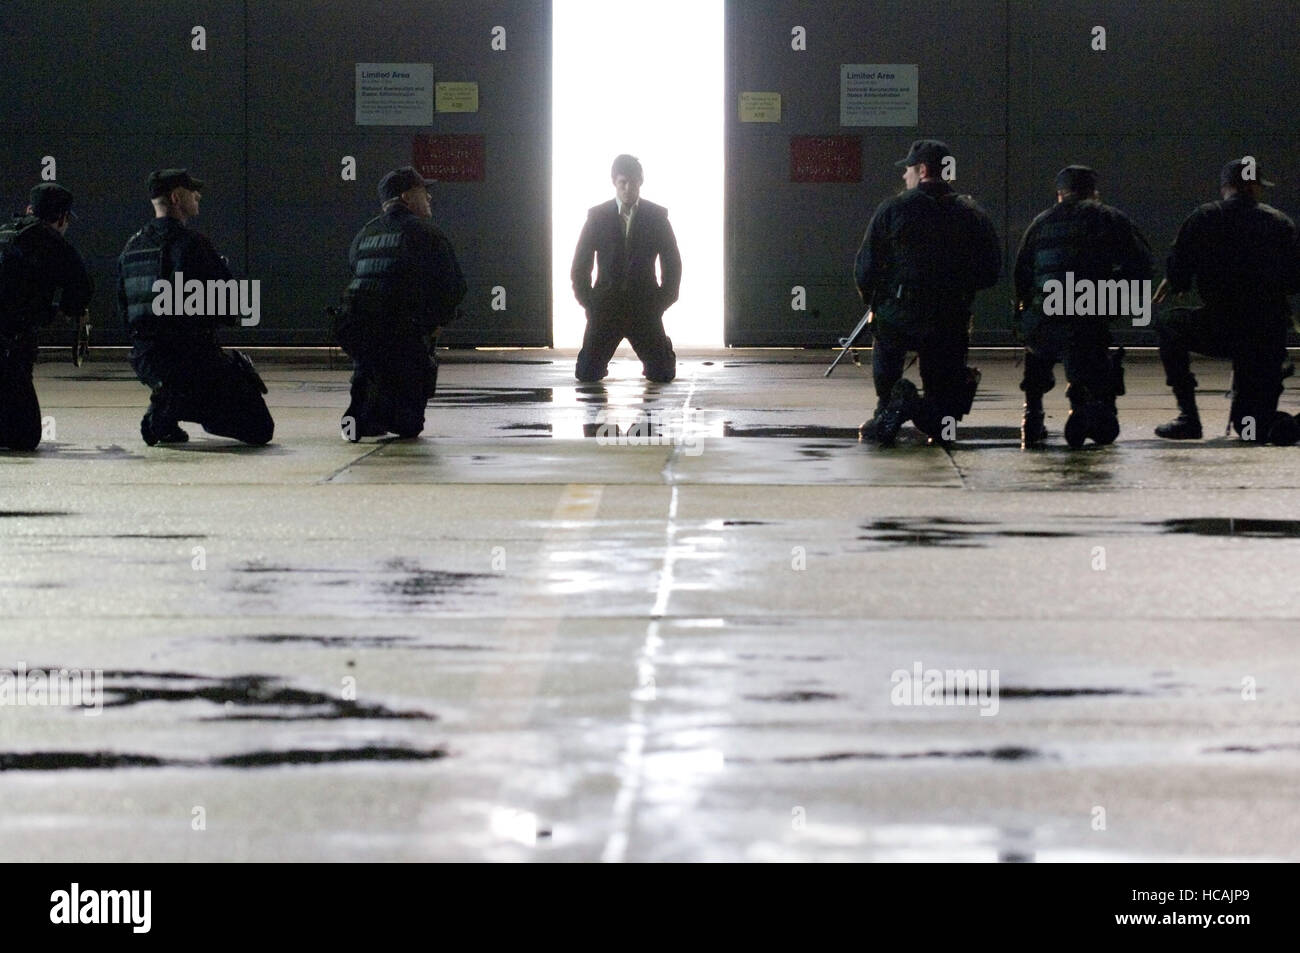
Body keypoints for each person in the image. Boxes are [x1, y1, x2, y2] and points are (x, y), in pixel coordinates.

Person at [855, 139, 1001, 446]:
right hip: (949, 319)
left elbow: (865, 267)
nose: (903, 176)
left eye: (907, 169)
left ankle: (891, 406)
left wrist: (877, 304)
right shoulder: (972, 213)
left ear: (921, 170)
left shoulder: (893, 208)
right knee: (945, 422)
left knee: (886, 342)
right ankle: (925, 411)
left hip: (898, 315)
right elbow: (990, 272)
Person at [117, 168, 273, 446]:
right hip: (190, 359)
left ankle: (169, 400)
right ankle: (172, 405)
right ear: (177, 197)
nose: (198, 195)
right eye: (192, 191)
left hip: (146, 360)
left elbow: (125, 312)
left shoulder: (132, 247)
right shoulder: (192, 244)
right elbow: (229, 305)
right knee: (260, 428)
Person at [1153, 158, 1300, 444]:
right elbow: (1294, 281)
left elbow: (1179, 274)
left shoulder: (1205, 217)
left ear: (1226, 187)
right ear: (1255, 187)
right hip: (1266, 336)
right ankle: (1278, 422)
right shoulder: (1281, 223)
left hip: (1222, 327)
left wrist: (1176, 280)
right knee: (1249, 428)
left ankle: (1188, 418)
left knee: (1168, 324)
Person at [1013, 165, 1154, 449]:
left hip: (1043, 326)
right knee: (1092, 344)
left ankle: (1033, 412)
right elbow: (1141, 265)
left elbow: (1021, 277)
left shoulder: (1039, 224)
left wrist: (1028, 314)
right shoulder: (1110, 219)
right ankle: (1087, 403)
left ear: (1059, 194)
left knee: (1038, 343)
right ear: (1094, 193)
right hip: (1086, 323)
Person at [336, 166, 467, 442]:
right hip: (404, 337)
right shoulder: (427, 235)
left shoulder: (364, 235)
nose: (429, 198)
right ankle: (390, 411)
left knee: (371, 377)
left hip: (360, 336)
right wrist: (435, 326)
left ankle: (363, 412)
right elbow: (454, 288)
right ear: (407, 197)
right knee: (409, 426)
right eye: (424, 192)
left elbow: (356, 277)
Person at [570, 154, 681, 383]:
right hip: (606, 308)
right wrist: (590, 303)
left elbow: (672, 263)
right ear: (614, 182)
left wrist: (661, 302)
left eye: (633, 182)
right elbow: (580, 264)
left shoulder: (657, 217)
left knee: (662, 375)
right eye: (623, 182)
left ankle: (663, 347)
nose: (628, 188)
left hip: (644, 307)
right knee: (587, 375)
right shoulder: (597, 216)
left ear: (641, 181)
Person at [0, 183, 93, 450]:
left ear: (30, 210)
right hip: (8, 348)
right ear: (63, 218)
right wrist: (64, 309)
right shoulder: (54, 243)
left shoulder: (4, 233)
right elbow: (81, 289)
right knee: (24, 436)